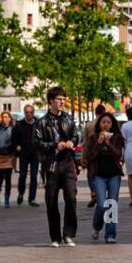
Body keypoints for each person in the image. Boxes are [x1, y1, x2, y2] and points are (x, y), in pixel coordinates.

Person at [35, 86, 79, 248]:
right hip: (51, 165)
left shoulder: (68, 118)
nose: (62, 102)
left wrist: (72, 142)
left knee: (71, 198)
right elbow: (37, 143)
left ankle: (68, 233)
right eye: (59, 99)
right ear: (51, 102)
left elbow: (76, 135)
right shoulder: (42, 122)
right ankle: (55, 237)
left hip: (67, 164)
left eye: (64, 99)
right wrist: (55, 145)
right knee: (51, 201)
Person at [85, 112, 124, 243]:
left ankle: (110, 234)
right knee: (101, 204)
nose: (106, 125)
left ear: (112, 124)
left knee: (112, 203)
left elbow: (118, 155)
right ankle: (96, 226)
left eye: (108, 122)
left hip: (113, 175)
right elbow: (90, 156)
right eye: (103, 122)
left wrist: (108, 143)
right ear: (99, 124)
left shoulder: (117, 137)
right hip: (99, 175)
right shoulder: (93, 137)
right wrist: (99, 142)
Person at [13, 104, 40, 207]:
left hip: (35, 154)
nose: (29, 114)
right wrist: (17, 146)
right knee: (22, 175)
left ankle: (32, 199)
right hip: (23, 153)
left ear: (33, 113)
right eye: (27, 112)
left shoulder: (38, 124)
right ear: (24, 113)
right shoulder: (19, 124)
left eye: (31, 112)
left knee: (34, 176)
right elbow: (14, 138)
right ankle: (21, 193)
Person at [0, 110, 16, 208]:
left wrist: (16, 147)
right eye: (3, 117)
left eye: (6, 117)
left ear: (10, 118)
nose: (5, 119)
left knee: (8, 180)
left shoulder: (13, 129)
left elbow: (16, 140)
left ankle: (7, 199)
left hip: (9, 156)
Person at [85, 104, 107, 209]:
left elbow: (84, 143)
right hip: (103, 154)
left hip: (91, 153)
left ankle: (94, 192)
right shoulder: (107, 124)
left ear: (95, 113)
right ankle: (99, 193)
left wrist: (83, 157)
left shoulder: (89, 125)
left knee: (91, 175)